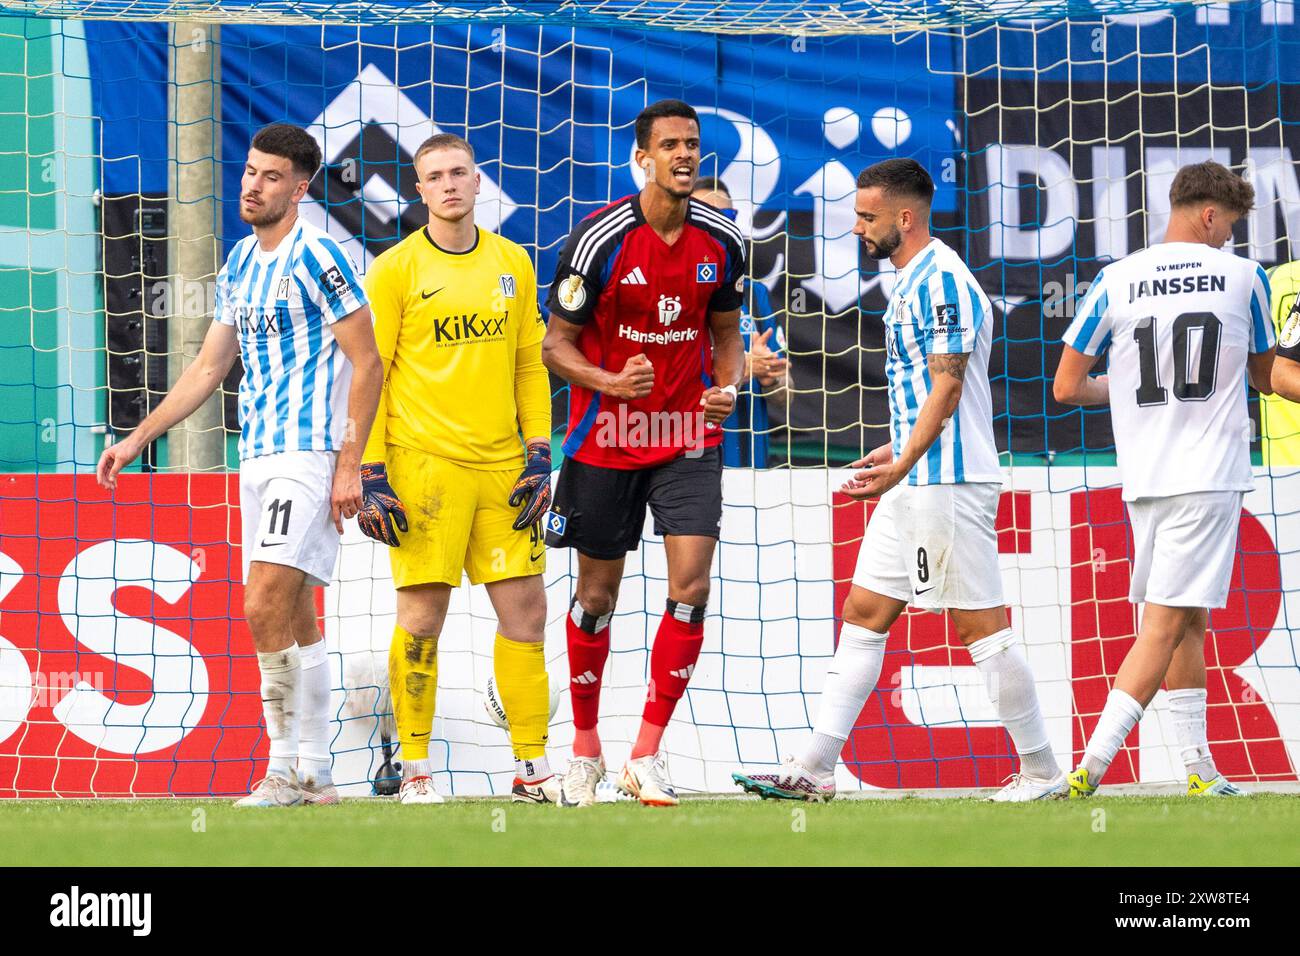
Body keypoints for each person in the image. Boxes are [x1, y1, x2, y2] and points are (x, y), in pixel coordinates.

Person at [732, 158, 1065, 802]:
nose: (857, 228)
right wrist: (894, 449)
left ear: (905, 217)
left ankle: (1043, 770)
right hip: (917, 476)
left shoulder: (944, 281)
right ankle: (816, 767)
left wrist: (904, 463)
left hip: (947, 480)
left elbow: (949, 386)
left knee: (981, 629)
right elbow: (930, 399)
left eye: (867, 217)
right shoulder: (912, 279)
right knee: (863, 614)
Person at [97, 123, 383, 807]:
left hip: (307, 456)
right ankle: (317, 774)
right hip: (256, 457)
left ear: (300, 189)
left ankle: (281, 771)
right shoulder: (240, 263)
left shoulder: (319, 256)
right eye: (251, 171)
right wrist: (139, 438)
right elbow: (209, 366)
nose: (253, 185)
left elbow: (369, 361)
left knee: (260, 604)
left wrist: (350, 465)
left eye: (271, 176)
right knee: (297, 615)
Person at [541, 99, 746, 807]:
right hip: (606, 439)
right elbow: (554, 346)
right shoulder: (598, 240)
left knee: (692, 586)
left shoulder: (723, 239)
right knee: (596, 597)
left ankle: (646, 755)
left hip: (687, 436)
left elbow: (727, 335)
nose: (684, 154)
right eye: (670, 145)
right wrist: (608, 382)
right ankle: (585, 751)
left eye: (692, 144)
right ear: (643, 158)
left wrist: (728, 386)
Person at [1053, 160, 1274, 798]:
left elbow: (1066, 387)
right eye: (1228, 225)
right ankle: (1088, 771)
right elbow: (1265, 375)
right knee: (1164, 625)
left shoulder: (1116, 279)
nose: (1228, 237)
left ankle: (1199, 771)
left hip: (1144, 477)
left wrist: (1122, 388)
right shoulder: (1244, 278)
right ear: (1209, 214)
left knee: (1187, 619)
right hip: (1208, 475)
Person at [356, 133, 556, 805]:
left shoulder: (513, 261)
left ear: (477, 181)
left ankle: (533, 771)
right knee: (421, 617)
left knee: (527, 612)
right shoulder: (394, 270)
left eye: (459, 172)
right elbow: (372, 374)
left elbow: (529, 365)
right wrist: (371, 470)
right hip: (424, 467)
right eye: (435, 175)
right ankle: (416, 772)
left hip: (504, 468)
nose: (448, 184)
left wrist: (539, 450)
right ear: (418, 190)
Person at [691, 177, 791, 467]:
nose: (717, 224)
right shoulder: (667, 291)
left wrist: (771, 376)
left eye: (726, 215)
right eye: (705, 216)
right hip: (689, 460)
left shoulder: (753, 293)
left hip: (751, 467)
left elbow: (787, 394)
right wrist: (742, 366)